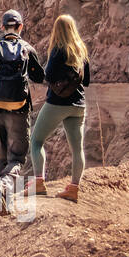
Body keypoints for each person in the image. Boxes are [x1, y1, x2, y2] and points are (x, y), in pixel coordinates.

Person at [0, 10, 44, 214]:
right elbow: (39, 77)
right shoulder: (27, 48)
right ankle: (1, 187)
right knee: (17, 159)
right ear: (21, 27)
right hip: (19, 110)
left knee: (2, 157)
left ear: (3, 26)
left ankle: (2, 206)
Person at [28, 14, 92, 202]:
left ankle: (39, 183)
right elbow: (86, 81)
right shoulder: (81, 50)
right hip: (79, 105)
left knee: (36, 140)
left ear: (57, 30)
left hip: (57, 103)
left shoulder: (57, 50)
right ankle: (73, 189)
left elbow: (47, 75)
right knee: (77, 149)